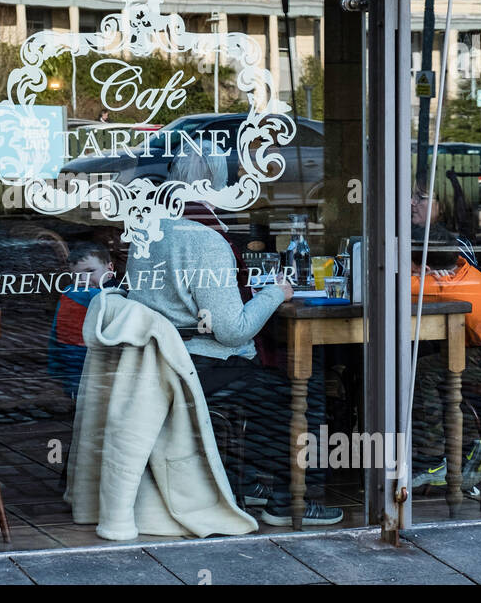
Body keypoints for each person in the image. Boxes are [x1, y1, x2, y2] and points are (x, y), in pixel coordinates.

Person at [125, 143, 343, 526]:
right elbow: (231, 331)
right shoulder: (207, 241)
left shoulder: (151, 228)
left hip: (156, 359)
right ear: (219, 185)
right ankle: (287, 499)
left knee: (273, 380)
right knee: (301, 388)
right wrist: (278, 291)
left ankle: (252, 481)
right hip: (197, 363)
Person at [410, 182, 481, 492]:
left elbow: (387, 285)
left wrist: (417, 276)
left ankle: (432, 460)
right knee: (451, 371)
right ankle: (473, 446)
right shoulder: (463, 270)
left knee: (424, 373)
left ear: (425, 267)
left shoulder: (436, 286)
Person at [48, 241, 117, 399]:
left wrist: (55, 366)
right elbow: (56, 332)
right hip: (78, 364)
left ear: (110, 269)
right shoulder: (76, 294)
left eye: (90, 271)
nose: (83, 280)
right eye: (77, 275)